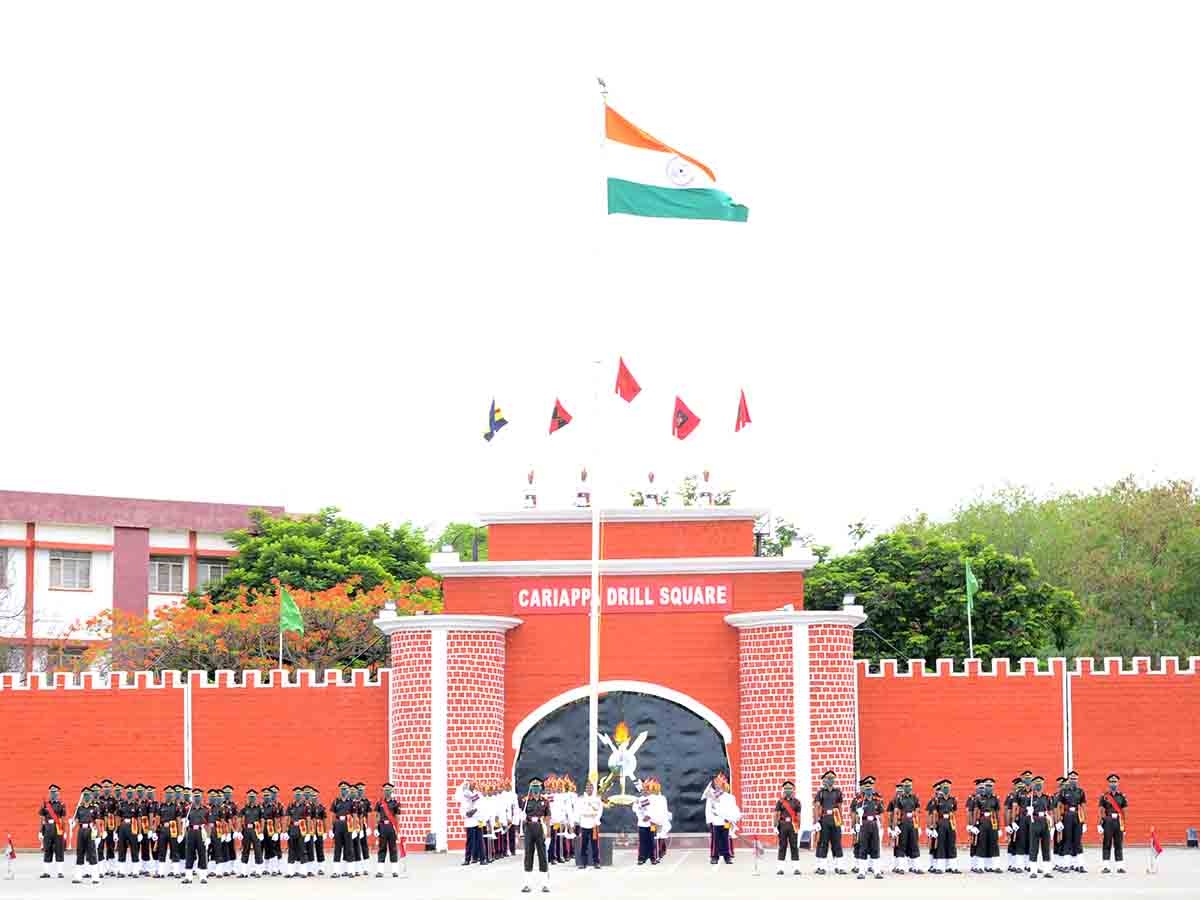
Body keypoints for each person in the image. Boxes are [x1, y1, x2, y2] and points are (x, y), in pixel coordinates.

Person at [521, 777, 551, 894]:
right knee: (528, 854)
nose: (535, 789)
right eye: (533, 787)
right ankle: (527, 883)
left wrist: (548, 833)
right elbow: (521, 816)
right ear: (530, 788)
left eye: (537, 787)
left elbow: (547, 817)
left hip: (540, 828)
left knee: (542, 855)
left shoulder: (545, 801)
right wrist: (521, 828)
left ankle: (545, 884)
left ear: (540, 788)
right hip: (528, 828)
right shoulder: (526, 801)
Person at [812, 770, 845, 875]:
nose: (830, 780)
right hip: (824, 819)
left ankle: (839, 867)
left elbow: (840, 807)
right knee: (823, 843)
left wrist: (841, 822)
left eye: (832, 778)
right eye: (828, 778)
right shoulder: (820, 793)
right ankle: (822, 867)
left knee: (837, 844)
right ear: (824, 780)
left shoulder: (838, 792)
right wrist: (816, 822)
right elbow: (816, 807)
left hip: (835, 819)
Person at [703, 773, 740, 865]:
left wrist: (731, 818)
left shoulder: (729, 797)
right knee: (715, 840)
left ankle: (727, 857)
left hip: (726, 821)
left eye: (719, 783)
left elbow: (732, 809)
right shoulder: (711, 796)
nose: (718, 785)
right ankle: (714, 857)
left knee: (726, 839)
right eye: (716, 783)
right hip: (715, 821)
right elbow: (708, 809)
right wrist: (709, 820)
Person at [968, 777, 1001, 873]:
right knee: (981, 844)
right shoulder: (979, 798)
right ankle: (980, 867)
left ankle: (994, 866)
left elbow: (997, 813)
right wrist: (973, 825)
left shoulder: (995, 798)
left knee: (994, 844)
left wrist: (999, 828)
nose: (989, 788)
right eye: (987, 786)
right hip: (982, 822)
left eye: (990, 786)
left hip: (993, 823)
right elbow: (975, 812)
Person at [1026, 776, 1056, 879]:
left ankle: (1047, 870)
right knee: (1033, 847)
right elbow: (1025, 812)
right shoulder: (1029, 797)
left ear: (1043, 785)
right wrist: (1028, 811)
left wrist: (1052, 825)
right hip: (1034, 822)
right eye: (1036, 784)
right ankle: (1033, 871)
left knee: (1046, 847)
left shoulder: (1047, 797)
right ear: (1033, 785)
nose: (1038, 786)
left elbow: (1051, 811)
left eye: (1040, 784)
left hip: (1044, 821)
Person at [856, 776, 885, 880]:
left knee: (875, 848)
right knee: (863, 848)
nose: (868, 791)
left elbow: (881, 814)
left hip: (874, 824)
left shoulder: (877, 801)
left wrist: (881, 827)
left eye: (870, 789)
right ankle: (861, 872)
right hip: (864, 824)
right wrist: (857, 824)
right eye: (867, 789)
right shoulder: (861, 801)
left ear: (872, 790)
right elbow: (856, 814)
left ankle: (877, 871)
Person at [69, 787, 101, 884]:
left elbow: (98, 822)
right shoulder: (79, 808)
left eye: (88, 795)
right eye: (85, 795)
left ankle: (95, 877)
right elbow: (77, 821)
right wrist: (72, 824)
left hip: (91, 831)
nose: (87, 797)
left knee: (92, 853)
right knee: (80, 853)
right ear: (83, 797)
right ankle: (78, 877)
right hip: (81, 831)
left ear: (91, 796)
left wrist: (98, 835)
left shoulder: (95, 807)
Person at [374, 782, 406, 878]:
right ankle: (380, 871)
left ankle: (394, 871)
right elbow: (377, 816)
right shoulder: (380, 803)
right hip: (382, 827)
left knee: (393, 848)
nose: (387, 791)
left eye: (388, 790)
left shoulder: (395, 803)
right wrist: (376, 828)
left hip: (391, 827)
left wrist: (398, 830)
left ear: (392, 791)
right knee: (382, 848)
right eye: (385, 790)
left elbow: (397, 817)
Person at [1098, 773, 1127, 874]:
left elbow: (1124, 812)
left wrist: (1124, 827)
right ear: (1108, 783)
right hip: (1108, 821)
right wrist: (1100, 823)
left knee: (1118, 844)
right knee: (1107, 843)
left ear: (1118, 783)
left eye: (1114, 782)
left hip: (1118, 822)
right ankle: (1106, 866)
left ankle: (1120, 866)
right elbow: (1101, 810)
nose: (1113, 783)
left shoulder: (1122, 796)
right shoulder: (1104, 796)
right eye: (1111, 782)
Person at [1059, 770, 1086, 872]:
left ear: (1077, 780)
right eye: (1071, 779)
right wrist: (1060, 820)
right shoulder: (1063, 791)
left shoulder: (1080, 791)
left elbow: (1083, 807)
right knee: (1067, 840)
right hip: (1067, 816)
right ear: (1068, 780)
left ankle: (1079, 865)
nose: (1073, 780)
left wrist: (1084, 822)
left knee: (1078, 841)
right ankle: (1066, 865)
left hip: (1077, 816)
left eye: (1075, 779)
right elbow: (1059, 806)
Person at [38, 784, 67, 879]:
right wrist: (40, 831)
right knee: (47, 849)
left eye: (55, 792)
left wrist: (64, 832)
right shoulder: (45, 804)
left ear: (58, 793)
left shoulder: (61, 804)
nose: (53, 794)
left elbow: (63, 819)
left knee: (59, 850)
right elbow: (42, 819)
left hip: (58, 829)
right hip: (47, 828)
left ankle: (60, 872)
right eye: (51, 792)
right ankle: (46, 872)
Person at [773, 780, 802, 875]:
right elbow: (776, 814)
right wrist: (775, 826)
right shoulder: (780, 802)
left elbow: (798, 815)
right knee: (782, 846)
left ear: (793, 790)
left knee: (794, 846)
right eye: (786, 789)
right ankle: (780, 868)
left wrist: (798, 827)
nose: (788, 790)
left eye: (790, 789)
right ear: (783, 790)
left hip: (793, 825)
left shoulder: (797, 802)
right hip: (783, 825)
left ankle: (796, 868)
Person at [182, 788, 210, 884]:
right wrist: (184, 824)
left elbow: (208, 824)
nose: (197, 798)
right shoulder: (188, 809)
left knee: (202, 854)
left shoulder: (206, 810)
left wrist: (208, 837)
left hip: (201, 832)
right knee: (189, 854)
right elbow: (183, 819)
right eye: (195, 796)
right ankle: (188, 877)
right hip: (190, 832)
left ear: (201, 797)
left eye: (198, 796)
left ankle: (203, 876)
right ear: (192, 797)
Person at [575, 780, 602, 869]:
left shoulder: (597, 799)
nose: (589, 789)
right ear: (585, 789)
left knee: (595, 845)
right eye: (587, 787)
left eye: (590, 787)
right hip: (584, 823)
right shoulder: (581, 798)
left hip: (593, 823)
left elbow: (600, 811)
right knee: (583, 845)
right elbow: (578, 810)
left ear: (593, 789)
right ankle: (583, 863)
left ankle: (596, 862)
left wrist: (596, 820)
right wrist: (578, 820)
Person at [456, 779, 484, 866]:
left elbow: (480, 804)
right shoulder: (464, 796)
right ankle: (467, 859)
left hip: (478, 820)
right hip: (469, 821)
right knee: (470, 841)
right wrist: (467, 814)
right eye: (470, 784)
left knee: (479, 840)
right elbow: (463, 809)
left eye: (473, 784)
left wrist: (475, 810)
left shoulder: (477, 794)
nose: (472, 785)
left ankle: (482, 859)